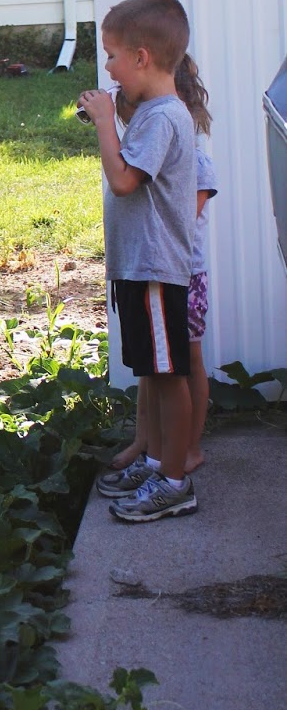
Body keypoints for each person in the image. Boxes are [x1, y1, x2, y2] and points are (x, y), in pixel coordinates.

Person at [77, 0, 198, 522]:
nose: (108, 68)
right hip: (137, 266)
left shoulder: (164, 117)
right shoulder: (152, 113)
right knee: (152, 371)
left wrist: (107, 121)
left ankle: (175, 482)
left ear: (142, 57)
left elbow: (125, 180)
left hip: (154, 269)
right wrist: (112, 118)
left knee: (167, 376)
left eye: (112, 56)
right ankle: (154, 461)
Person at [106, 54, 216, 479]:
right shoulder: (156, 139)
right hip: (159, 271)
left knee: (184, 362)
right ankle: (147, 444)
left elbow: (178, 218)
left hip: (183, 274)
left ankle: (187, 448)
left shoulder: (192, 154)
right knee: (155, 369)